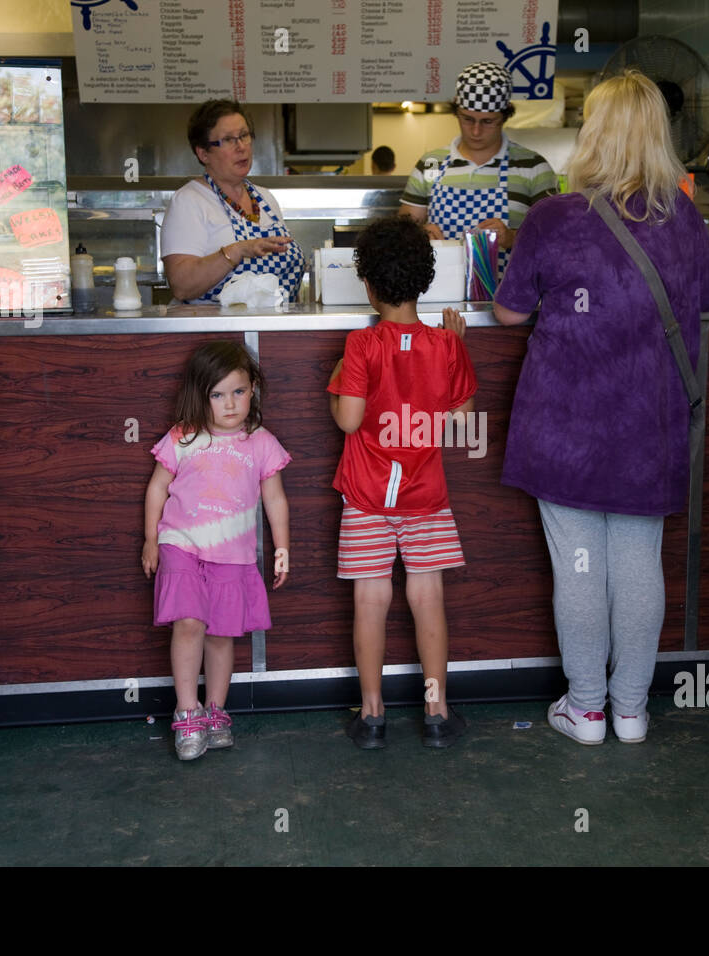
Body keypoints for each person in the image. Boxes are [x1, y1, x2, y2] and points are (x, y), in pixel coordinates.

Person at [493, 70, 709, 746]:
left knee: (581, 567)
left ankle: (586, 708)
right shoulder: (683, 216)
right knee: (636, 564)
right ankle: (631, 710)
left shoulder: (555, 217)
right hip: (648, 426)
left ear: (592, 134)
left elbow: (508, 312)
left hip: (565, 428)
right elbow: (708, 297)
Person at [326, 217, 478, 749]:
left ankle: (371, 717)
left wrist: (346, 367)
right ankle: (436, 713)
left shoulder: (362, 344)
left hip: (368, 497)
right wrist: (455, 349)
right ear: (426, 279)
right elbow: (461, 422)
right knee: (427, 598)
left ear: (367, 284)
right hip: (425, 497)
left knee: (371, 601)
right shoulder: (445, 344)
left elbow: (348, 420)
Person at [142, 341, 291, 761]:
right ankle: (186, 713)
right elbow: (157, 487)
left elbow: (275, 500)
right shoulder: (183, 437)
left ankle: (216, 712)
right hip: (181, 546)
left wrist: (282, 548)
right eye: (217, 394)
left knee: (222, 635)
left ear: (254, 390)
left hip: (234, 555)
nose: (230, 404)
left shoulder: (261, 443)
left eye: (239, 392)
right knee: (189, 623)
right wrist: (151, 539)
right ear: (200, 395)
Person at [400, 62, 557, 276]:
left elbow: (555, 237)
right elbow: (403, 227)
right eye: (467, 119)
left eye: (488, 122)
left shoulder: (533, 167)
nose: (475, 131)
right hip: (441, 293)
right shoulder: (431, 164)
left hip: (509, 301)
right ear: (456, 112)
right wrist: (418, 232)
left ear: (504, 116)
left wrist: (512, 238)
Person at [161, 100, 304, 305]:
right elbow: (182, 285)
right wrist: (237, 251)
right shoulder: (189, 201)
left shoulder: (265, 199)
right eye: (228, 139)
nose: (241, 147)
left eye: (244, 136)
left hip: (274, 329)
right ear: (203, 153)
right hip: (215, 332)